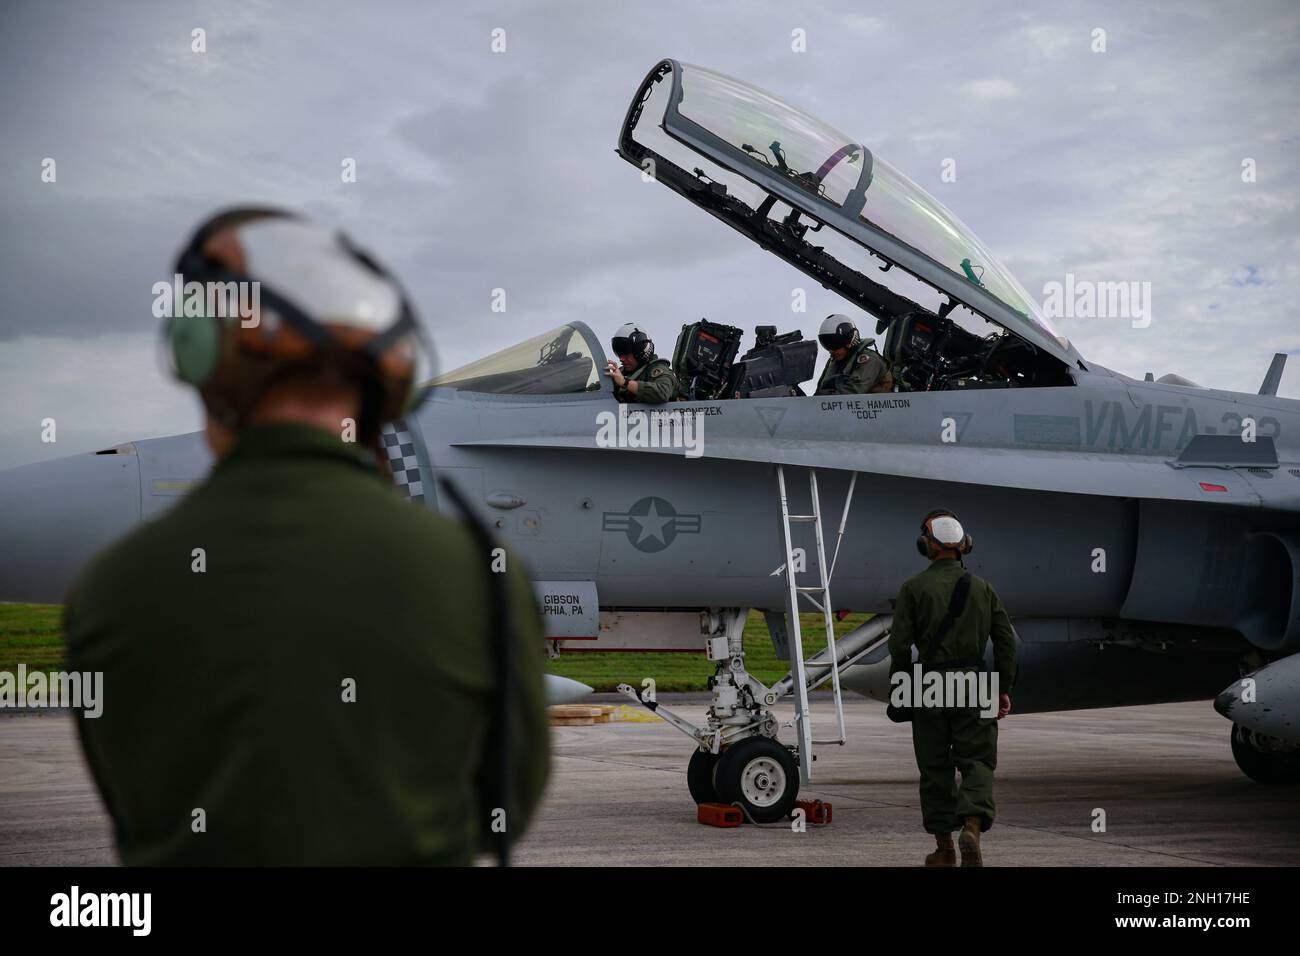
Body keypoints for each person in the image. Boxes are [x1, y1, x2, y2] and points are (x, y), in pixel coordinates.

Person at [64, 207, 549, 865]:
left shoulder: (110, 588)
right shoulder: (481, 575)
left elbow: (134, 810)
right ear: (391, 374)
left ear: (198, 355)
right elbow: (504, 811)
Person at [887, 509, 1016, 867]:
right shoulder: (984, 588)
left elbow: (899, 646)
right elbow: (1006, 642)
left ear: (925, 546)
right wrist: (1002, 687)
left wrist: (901, 687)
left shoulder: (913, 588)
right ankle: (972, 827)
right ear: (964, 546)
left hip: (929, 685)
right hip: (976, 684)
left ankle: (944, 847)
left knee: (934, 767)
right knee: (978, 761)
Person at [814, 314, 893, 395]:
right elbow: (818, 394)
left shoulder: (870, 360)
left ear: (849, 338)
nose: (831, 350)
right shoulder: (833, 361)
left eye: (834, 344)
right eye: (826, 344)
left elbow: (852, 393)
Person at [605, 322, 677, 403]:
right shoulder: (621, 373)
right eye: (619, 353)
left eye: (626, 353)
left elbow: (662, 392)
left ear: (640, 352)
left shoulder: (658, 369)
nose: (621, 359)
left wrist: (625, 382)